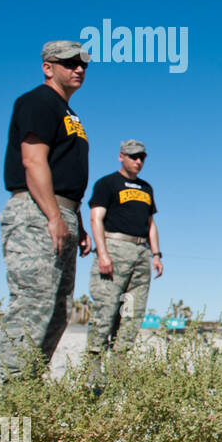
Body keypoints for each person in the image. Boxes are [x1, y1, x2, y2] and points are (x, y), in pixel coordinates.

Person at [0, 40, 94, 378]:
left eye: (83, 63)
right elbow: (33, 161)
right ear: (48, 67)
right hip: (35, 211)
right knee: (33, 304)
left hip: (62, 212)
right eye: (69, 62)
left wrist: (74, 221)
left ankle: (30, 391)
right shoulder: (37, 101)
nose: (78, 68)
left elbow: (64, 171)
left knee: (58, 309)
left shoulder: (70, 114)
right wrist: (53, 215)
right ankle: (11, 396)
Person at [86, 140, 162, 362]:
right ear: (121, 157)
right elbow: (96, 218)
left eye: (142, 157)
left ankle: (119, 366)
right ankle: (92, 366)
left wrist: (156, 254)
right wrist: (102, 253)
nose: (138, 161)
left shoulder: (146, 188)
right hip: (114, 249)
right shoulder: (107, 184)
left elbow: (151, 224)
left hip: (141, 253)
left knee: (131, 313)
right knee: (106, 310)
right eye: (133, 156)